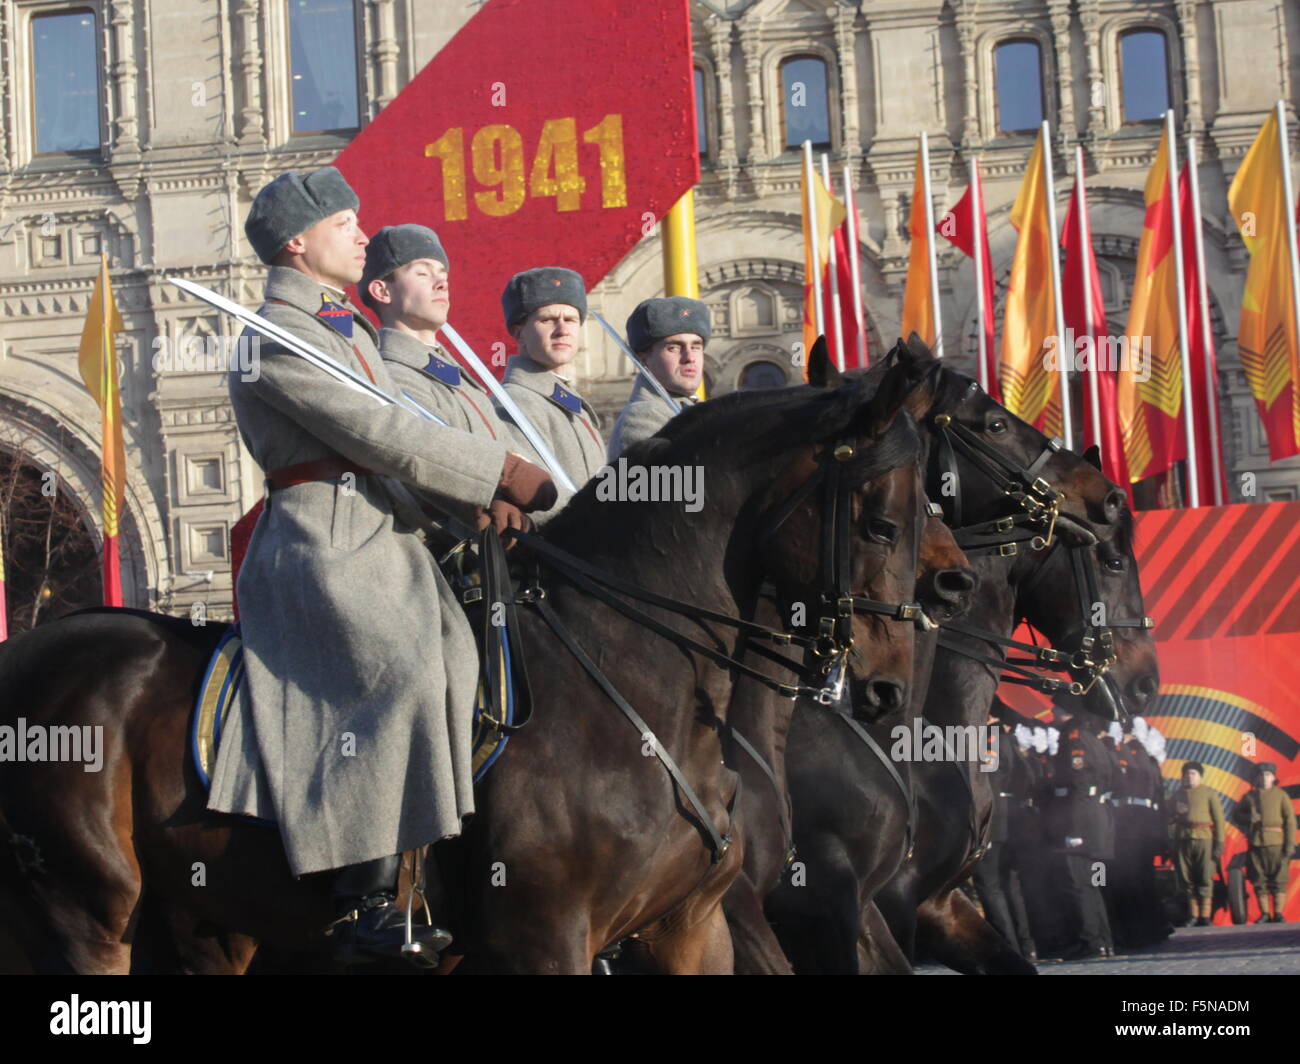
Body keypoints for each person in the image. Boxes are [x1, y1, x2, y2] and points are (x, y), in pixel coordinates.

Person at [207, 167, 556, 965]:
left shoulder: (350, 331)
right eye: (345, 223)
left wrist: (464, 508)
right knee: (395, 667)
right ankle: (360, 895)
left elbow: (391, 449)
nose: (363, 236)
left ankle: (440, 860)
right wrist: (496, 470)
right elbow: (371, 429)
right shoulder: (271, 336)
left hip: (383, 527)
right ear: (298, 242)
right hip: (319, 542)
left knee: (467, 655)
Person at [499, 267, 606, 521]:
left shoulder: (571, 402)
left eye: (570, 320)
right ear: (518, 332)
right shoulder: (516, 403)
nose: (562, 330)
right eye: (547, 320)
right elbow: (537, 504)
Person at [1047, 705, 1115, 960]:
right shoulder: (1093, 737)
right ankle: (1104, 942)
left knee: (1081, 885)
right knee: (1096, 885)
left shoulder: (1073, 737)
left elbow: (1079, 785)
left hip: (1082, 823)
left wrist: (1074, 829)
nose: (1053, 712)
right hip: (1099, 821)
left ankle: (1091, 942)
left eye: (1056, 707)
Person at [605, 296, 709, 460]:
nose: (690, 357)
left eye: (696, 347)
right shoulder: (642, 419)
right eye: (674, 348)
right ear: (643, 359)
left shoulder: (690, 410)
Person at [1231, 762, 1296, 923]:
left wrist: (1289, 844)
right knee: (1259, 880)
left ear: (1274, 777)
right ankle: (1265, 913)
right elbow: (1236, 815)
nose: (1264, 778)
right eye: (1261, 775)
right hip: (1256, 843)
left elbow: (1290, 821)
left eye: (1267, 775)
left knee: (1279, 880)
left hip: (1277, 844)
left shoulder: (1281, 796)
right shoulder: (1249, 797)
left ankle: (1278, 914)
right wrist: (1248, 818)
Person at [1171, 760, 1226, 927]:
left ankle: (1205, 916)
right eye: (1187, 774)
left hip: (1204, 838)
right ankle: (1193, 916)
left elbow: (1218, 820)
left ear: (1200, 776)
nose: (1189, 777)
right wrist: (1175, 812)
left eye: (1193, 773)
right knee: (1187, 878)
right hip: (1183, 838)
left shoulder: (1209, 793)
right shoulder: (1177, 794)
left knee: (1204, 875)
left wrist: (1219, 844)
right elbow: (1167, 818)